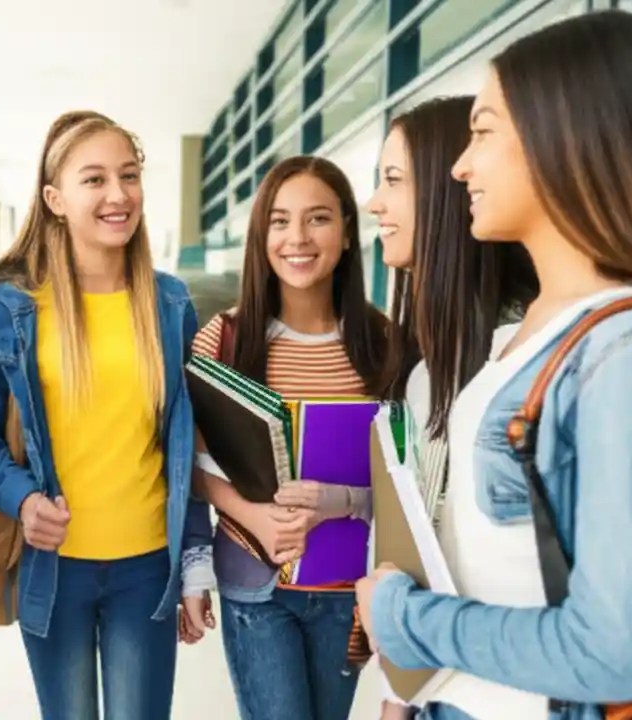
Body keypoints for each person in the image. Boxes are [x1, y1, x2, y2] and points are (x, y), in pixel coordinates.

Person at [357, 10, 632, 719]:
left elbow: (616, 652)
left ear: (564, 139)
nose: (462, 165)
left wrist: (407, 619)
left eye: (482, 131)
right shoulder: (534, 339)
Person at [0, 110, 211, 720]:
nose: (118, 194)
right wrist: (22, 498)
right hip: (53, 570)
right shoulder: (14, 308)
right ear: (55, 198)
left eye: (129, 175)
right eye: (94, 179)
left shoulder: (171, 305)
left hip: (147, 569)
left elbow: (189, 448)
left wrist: (196, 564)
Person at [190, 155, 388, 720]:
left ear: (348, 233)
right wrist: (252, 516)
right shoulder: (224, 340)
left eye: (318, 219)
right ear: (261, 236)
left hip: (346, 590)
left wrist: (344, 502)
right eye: (279, 221)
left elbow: (409, 487)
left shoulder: (384, 345)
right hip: (257, 585)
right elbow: (195, 466)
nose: (297, 238)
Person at [364, 97, 537, 719]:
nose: (375, 203)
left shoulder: (516, 362)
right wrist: (397, 697)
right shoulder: (427, 372)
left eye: (392, 180)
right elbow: (426, 549)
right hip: (443, 692)